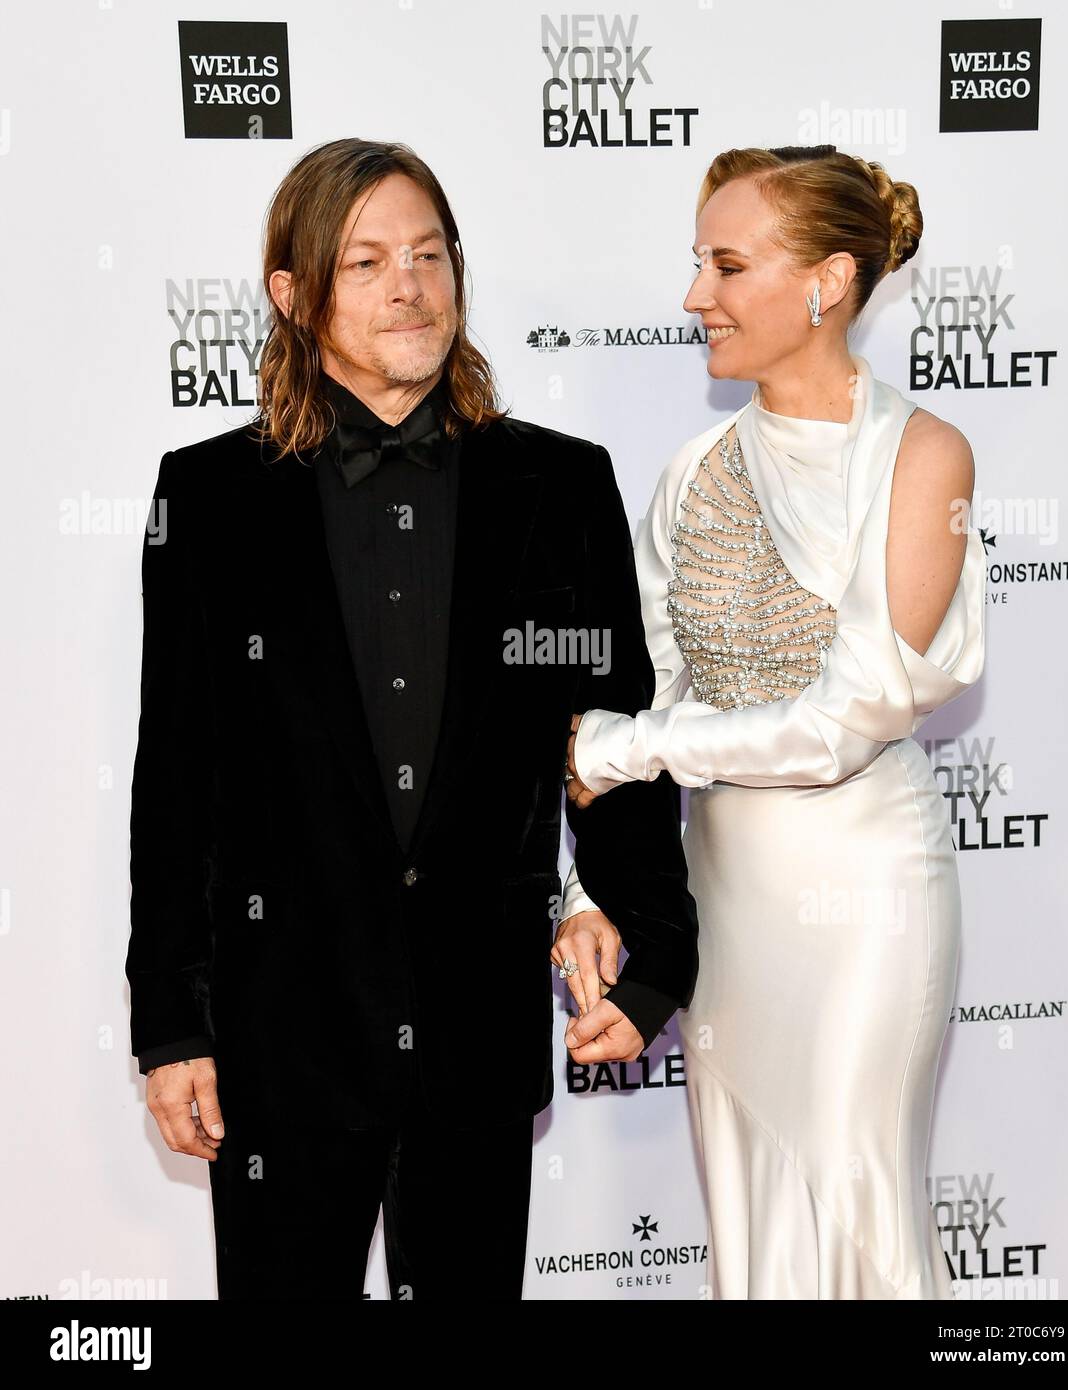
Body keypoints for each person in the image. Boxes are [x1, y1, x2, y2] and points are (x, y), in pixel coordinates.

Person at [125, 137, 698, 1300]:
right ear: (293, 295)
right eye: (368, 262)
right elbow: (178, 776)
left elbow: (612, 740)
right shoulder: (212, 496)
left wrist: (653, 959)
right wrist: (168, 1026)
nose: (410, 287)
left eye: (430, 255)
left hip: (473, 1040)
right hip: (279, 1038)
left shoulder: (560, 487)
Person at [564, 144, 986, 1299]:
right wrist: (590, 891)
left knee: (854, 1196)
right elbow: (643, 694)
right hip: (725, 909)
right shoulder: (694, 470)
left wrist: (623, 748)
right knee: (749, 1224)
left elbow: (838, 724)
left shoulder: (920, 458)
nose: (695, 295)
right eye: (697, 263)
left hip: (864, 908)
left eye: (726, 265)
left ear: (826, 282)